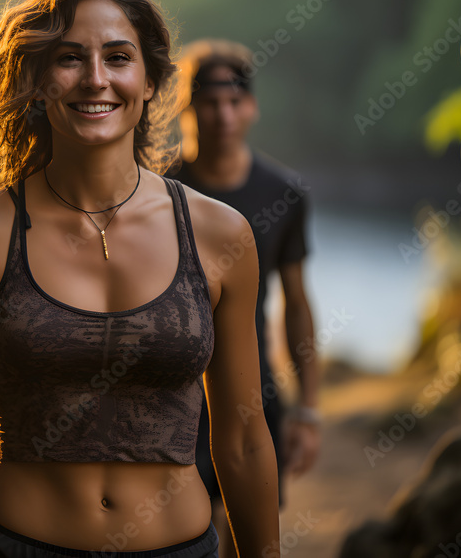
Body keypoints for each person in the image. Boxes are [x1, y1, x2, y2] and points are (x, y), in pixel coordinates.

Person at [0, 0, 279, 558]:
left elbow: (241, 437)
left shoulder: (220, 235)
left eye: (117, 57)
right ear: (39, 80)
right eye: (68, 58)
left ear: (152, 80)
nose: (94, 78)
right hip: (19, 547)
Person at [166, 39, 319, 556]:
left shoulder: (284, 194)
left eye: (234, 100)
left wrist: (310, 410)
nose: (222, 113)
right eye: (208, 100)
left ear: (251, 107)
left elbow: (296, 304)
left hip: (254, 389)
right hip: (169, 393)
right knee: (176, 535)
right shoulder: (153, 189)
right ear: (185, 107)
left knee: (246, 535)